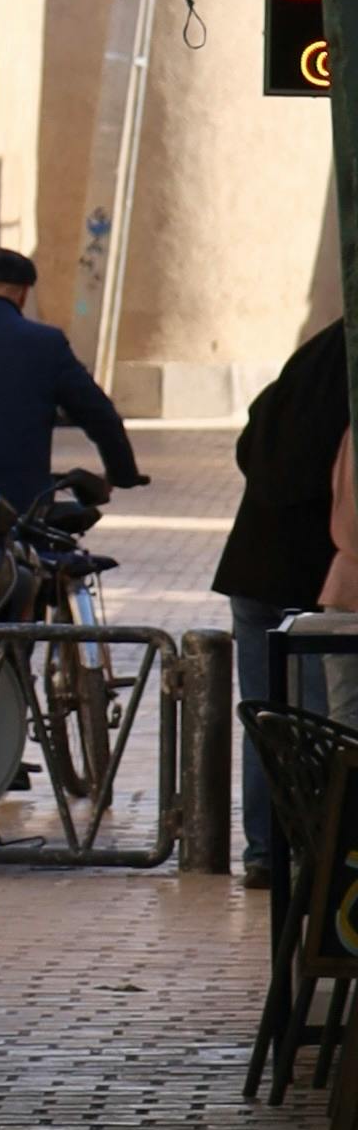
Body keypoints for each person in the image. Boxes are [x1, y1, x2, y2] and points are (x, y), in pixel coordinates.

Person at [219, 304, 350, 892]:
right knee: (319, 721)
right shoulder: (348, 370)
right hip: (315, 577)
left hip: (255, 563)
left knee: (269, 718)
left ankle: (265, 851)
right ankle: (314, 850)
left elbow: (253, 444)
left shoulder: (313, 358)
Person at [0, 243, 145, 508]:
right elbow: (99, 415)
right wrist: (122, 473)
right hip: (20, 502)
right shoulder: (48, 343)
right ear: (23, 295)